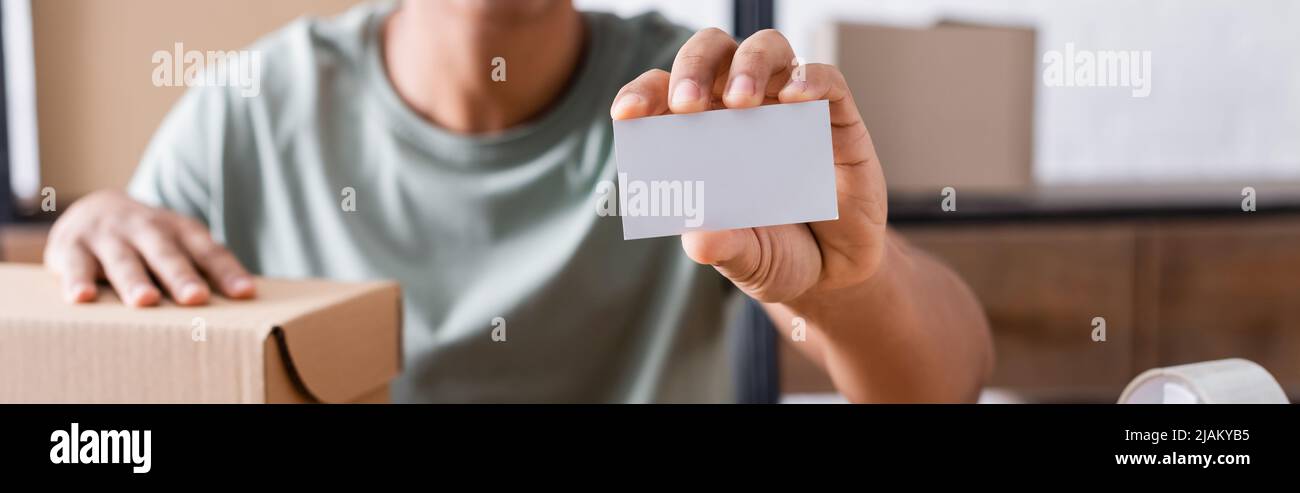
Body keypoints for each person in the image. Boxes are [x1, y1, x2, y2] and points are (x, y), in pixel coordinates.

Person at [43, 0, 992, 402]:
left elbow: (940, 385)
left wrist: (847, 288)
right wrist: (92, 224)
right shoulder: (249, 112)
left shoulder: (686, 112)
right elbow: (124, 340)